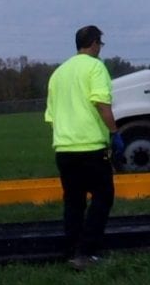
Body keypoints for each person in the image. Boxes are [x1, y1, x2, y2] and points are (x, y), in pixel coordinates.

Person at [45, 24, 124, 270]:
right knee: (103, 197)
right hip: (91, 147)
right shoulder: (95, 67)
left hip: (65, 150)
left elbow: (51, 116)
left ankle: (71, 250)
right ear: (94, 44)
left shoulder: (59, 73)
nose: (100, 48)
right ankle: (88, 251)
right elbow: (101, 103)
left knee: (74, 202)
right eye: (100, 43)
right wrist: (114, 133)